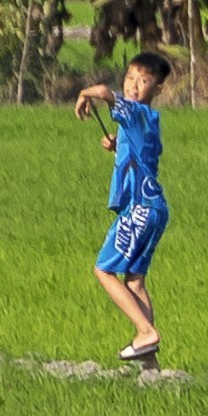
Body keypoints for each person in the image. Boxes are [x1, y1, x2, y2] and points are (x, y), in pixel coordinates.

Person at [69, 50, 176, 368]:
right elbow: (143, 152)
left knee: (103, 270)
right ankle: (150, 364)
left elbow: (103, 92)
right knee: (135, 281)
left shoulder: (133, 110)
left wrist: (84, 93)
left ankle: (145, 333)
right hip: (155, 208)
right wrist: (120, 145)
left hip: (138, 209)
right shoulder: (150, 120)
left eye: (143, 81)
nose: (132, 85)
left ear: (156, 89)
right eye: (129, 78)